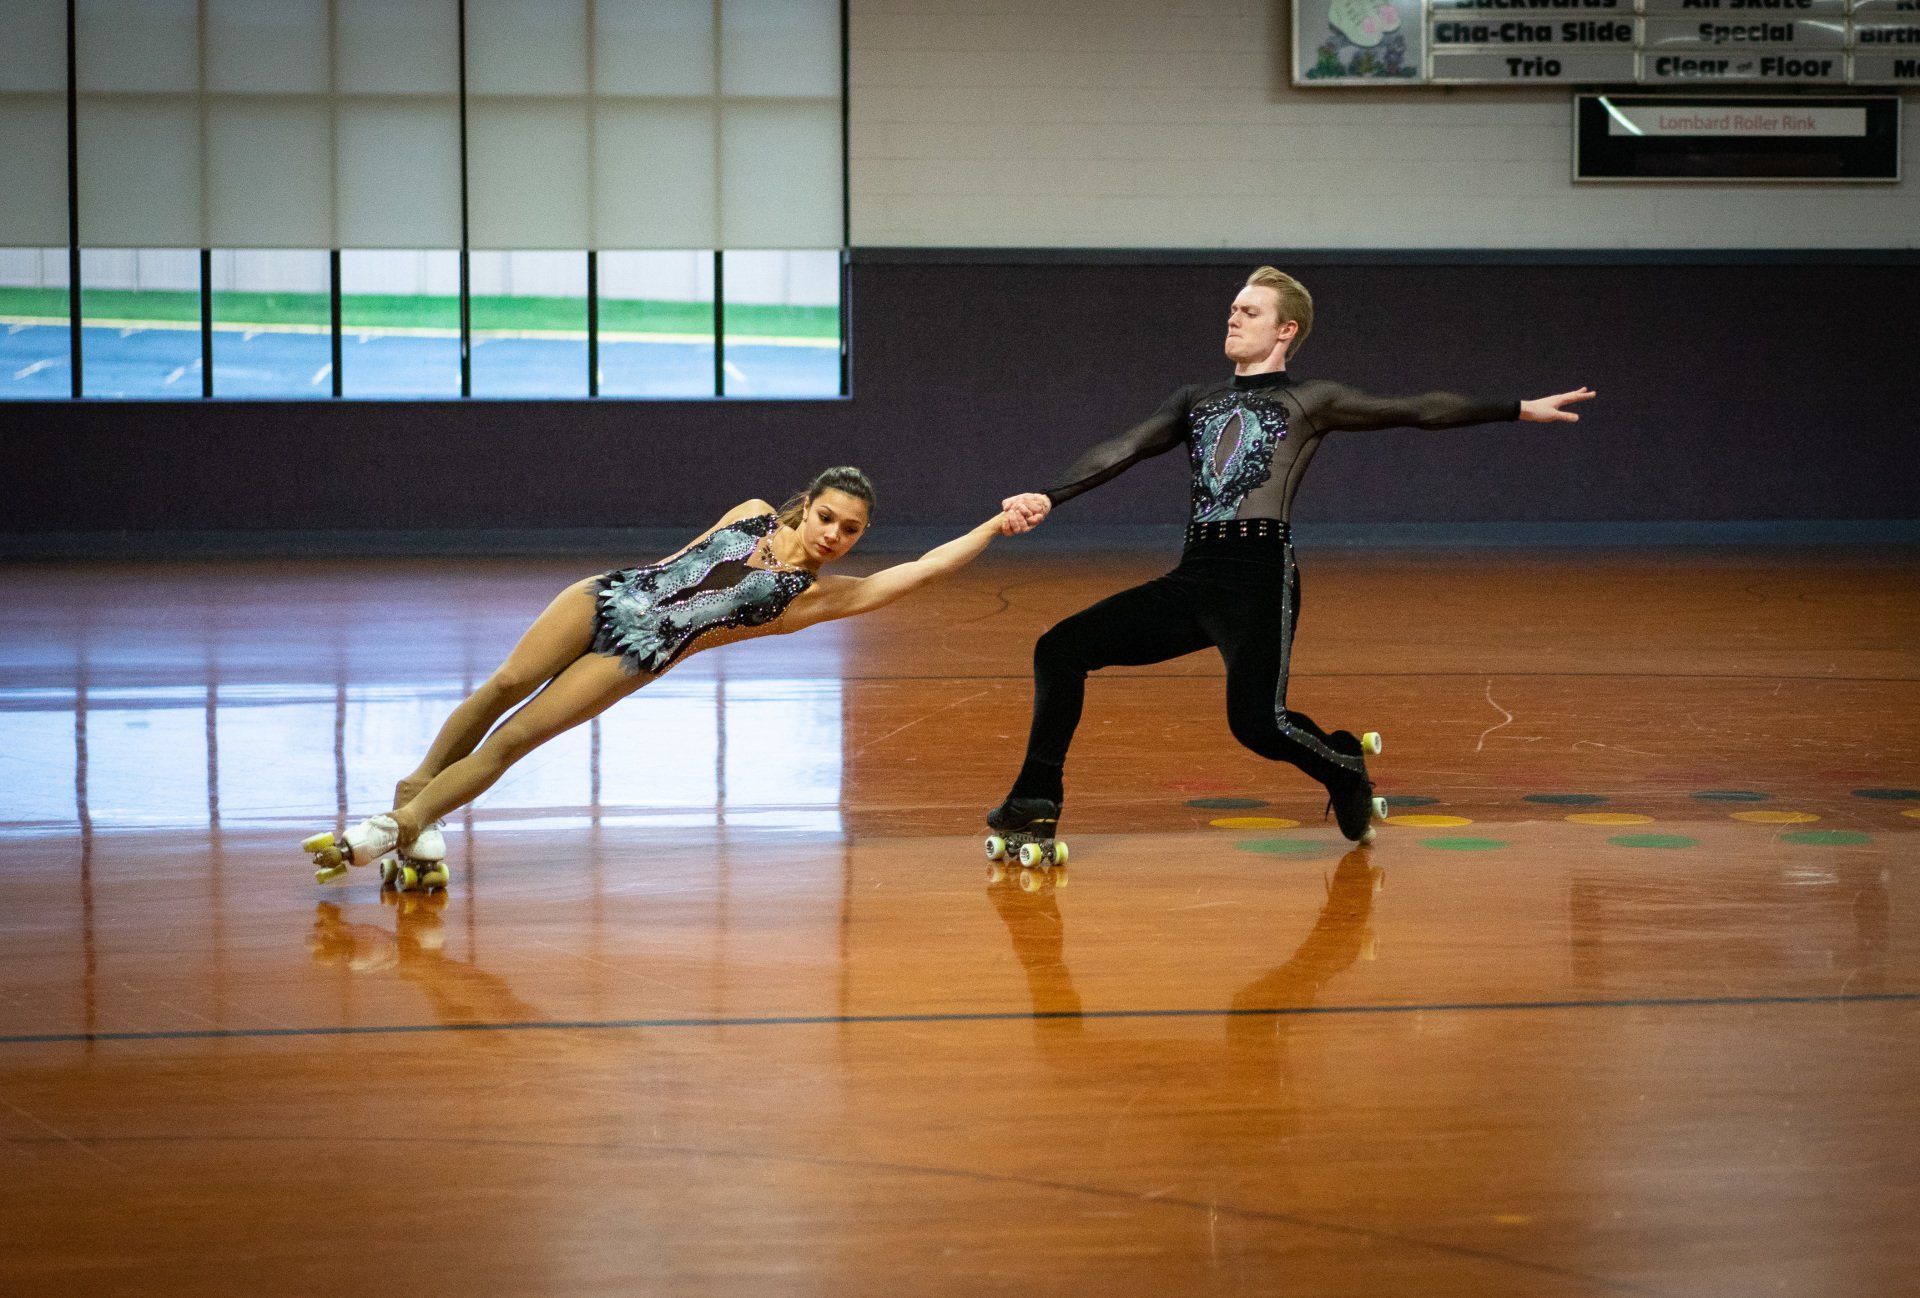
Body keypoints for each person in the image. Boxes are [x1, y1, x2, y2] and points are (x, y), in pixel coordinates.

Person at [991, 267, 1594, 845]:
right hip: (1195, 575)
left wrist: (1517, 407)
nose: (1233, 319)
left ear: (1286, 331)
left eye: (1249, 311)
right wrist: (1050, 494)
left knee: (1259, 726)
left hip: (1259, 577)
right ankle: (1036, 798)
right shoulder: (1195, 400)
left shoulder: (1312, 400)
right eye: (1232, 309)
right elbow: (1123, 448)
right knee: (1061, 648)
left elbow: (1416, 409)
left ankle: (1345, 766)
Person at [305, 466, 1031, 889]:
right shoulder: (749, 513)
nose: (833, 535)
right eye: (827, 517)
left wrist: (995, 525)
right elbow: (678, 564)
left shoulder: (816, 598)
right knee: (501, 684)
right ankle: (415, 794)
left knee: (516, 736)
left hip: (638, 655)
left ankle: (389, 829)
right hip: (607, 594)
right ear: (806, 506)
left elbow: (925, 568)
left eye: (849, 530)